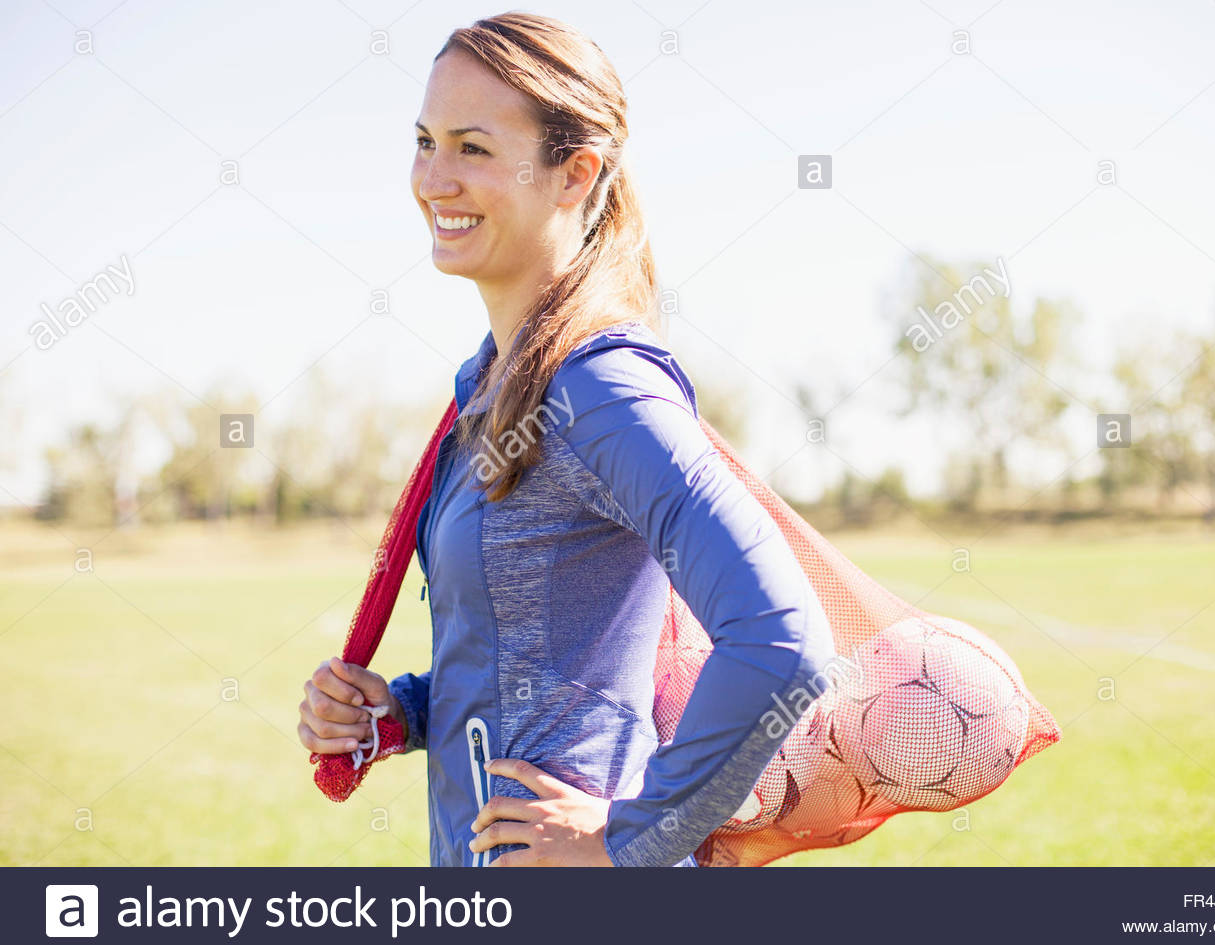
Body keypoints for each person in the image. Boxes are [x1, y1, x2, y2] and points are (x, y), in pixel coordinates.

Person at [297, 11, 835, 867]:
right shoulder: (490, 385)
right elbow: (535, 668)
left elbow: (783, 638)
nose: (434, 179)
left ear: (575, 174)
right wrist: (398, 713)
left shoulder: (602, 388)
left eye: (473, 148)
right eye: (425, 141)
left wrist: (626, 838)